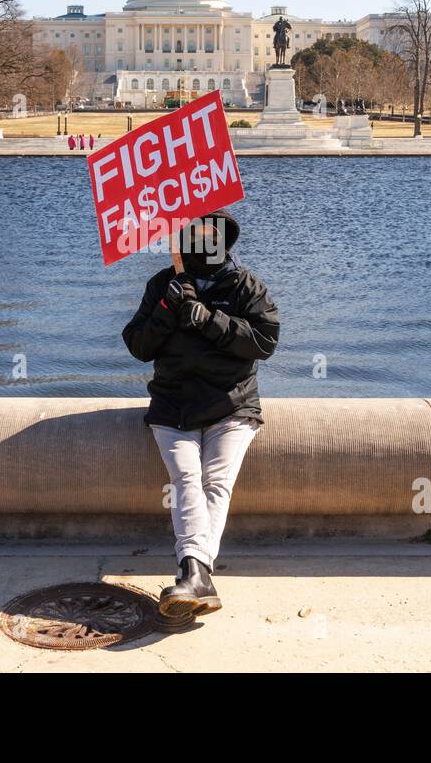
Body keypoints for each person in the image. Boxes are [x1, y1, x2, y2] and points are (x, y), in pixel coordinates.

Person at [122, 209, 280, 619]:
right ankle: (199, 575)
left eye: (213, 238)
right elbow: (138, 345)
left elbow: (264, 341)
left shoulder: (246, 286)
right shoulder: (163, 283)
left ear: (225, 242)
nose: (205, 245)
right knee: (186, 476)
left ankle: (192, 572)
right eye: (196, 236)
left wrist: (210, 319)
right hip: (173, 405)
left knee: (216, 481)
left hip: (232, 404)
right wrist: (167, 308)